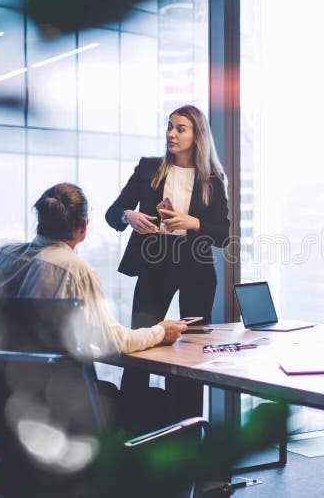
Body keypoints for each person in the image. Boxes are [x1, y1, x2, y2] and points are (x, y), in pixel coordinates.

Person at [0, 183, 188, 431]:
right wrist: (161, 331)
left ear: (40, 221)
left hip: (5, 401)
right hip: (63, 408)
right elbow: (113, 341)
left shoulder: (3, 256)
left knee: (113, 392)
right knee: (160, 402)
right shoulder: (74, 269)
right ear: (83, 227)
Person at [105, 104, 230, 422]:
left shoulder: (212, 178)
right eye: (169, 126)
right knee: (140, 343)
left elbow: (223, 233)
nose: (171, 133)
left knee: (194, 351)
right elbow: (113, 212)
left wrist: (192, 222)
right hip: (154, 262)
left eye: (180, 128)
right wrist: (128, 215)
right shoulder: (149, 168)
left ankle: (189, 428)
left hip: (196, 268)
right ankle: (129, 425)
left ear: (197, 135)